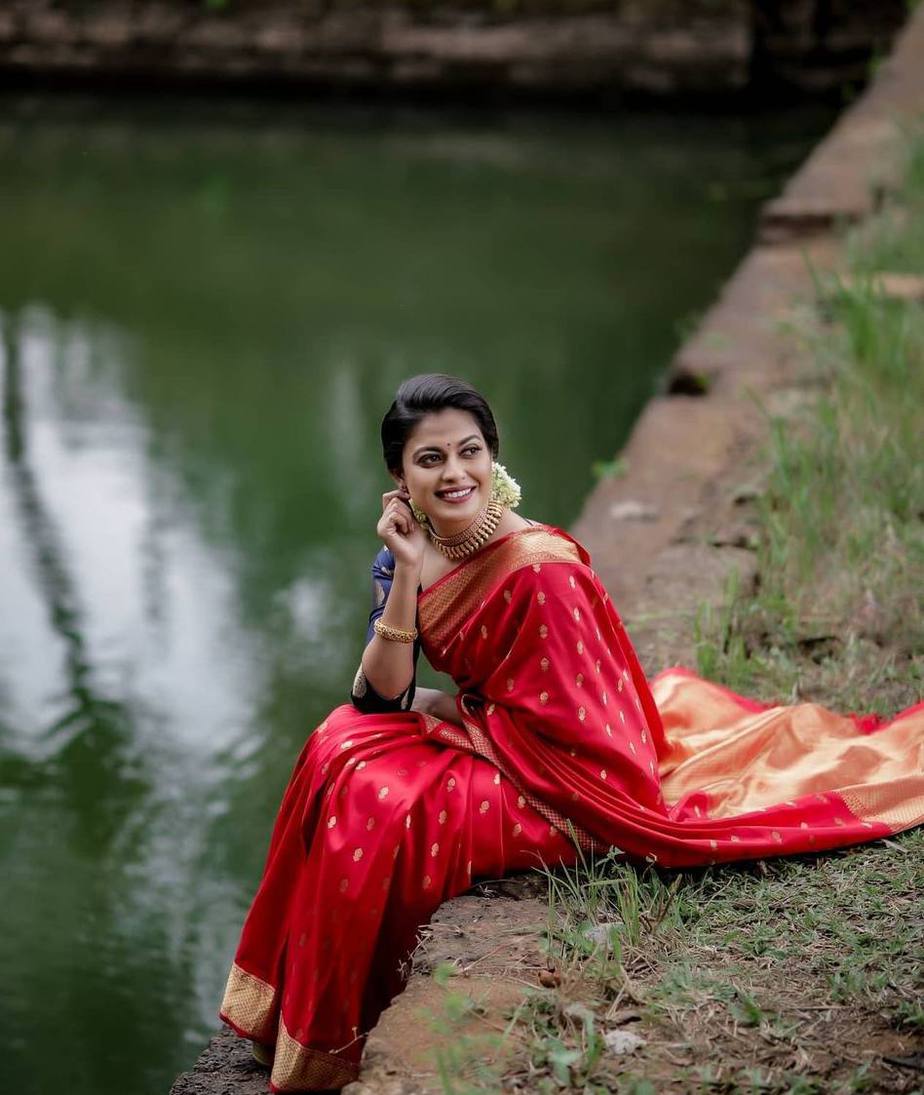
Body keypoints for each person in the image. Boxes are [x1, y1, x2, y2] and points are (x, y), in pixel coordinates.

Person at [219, 374, 923, 1093]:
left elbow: (588, 737)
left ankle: (340, 1029)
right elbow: (378, 694)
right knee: (338, 742)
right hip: (498, 742)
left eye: (470, 451)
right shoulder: (406, 548)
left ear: (493, 457)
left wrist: (455, 711)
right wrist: (404, 574)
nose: (455, 473)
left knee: (377, 799)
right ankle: (300, 1018)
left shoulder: (539, 568)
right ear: (398, 476)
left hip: (564, 781)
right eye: (430, 460)